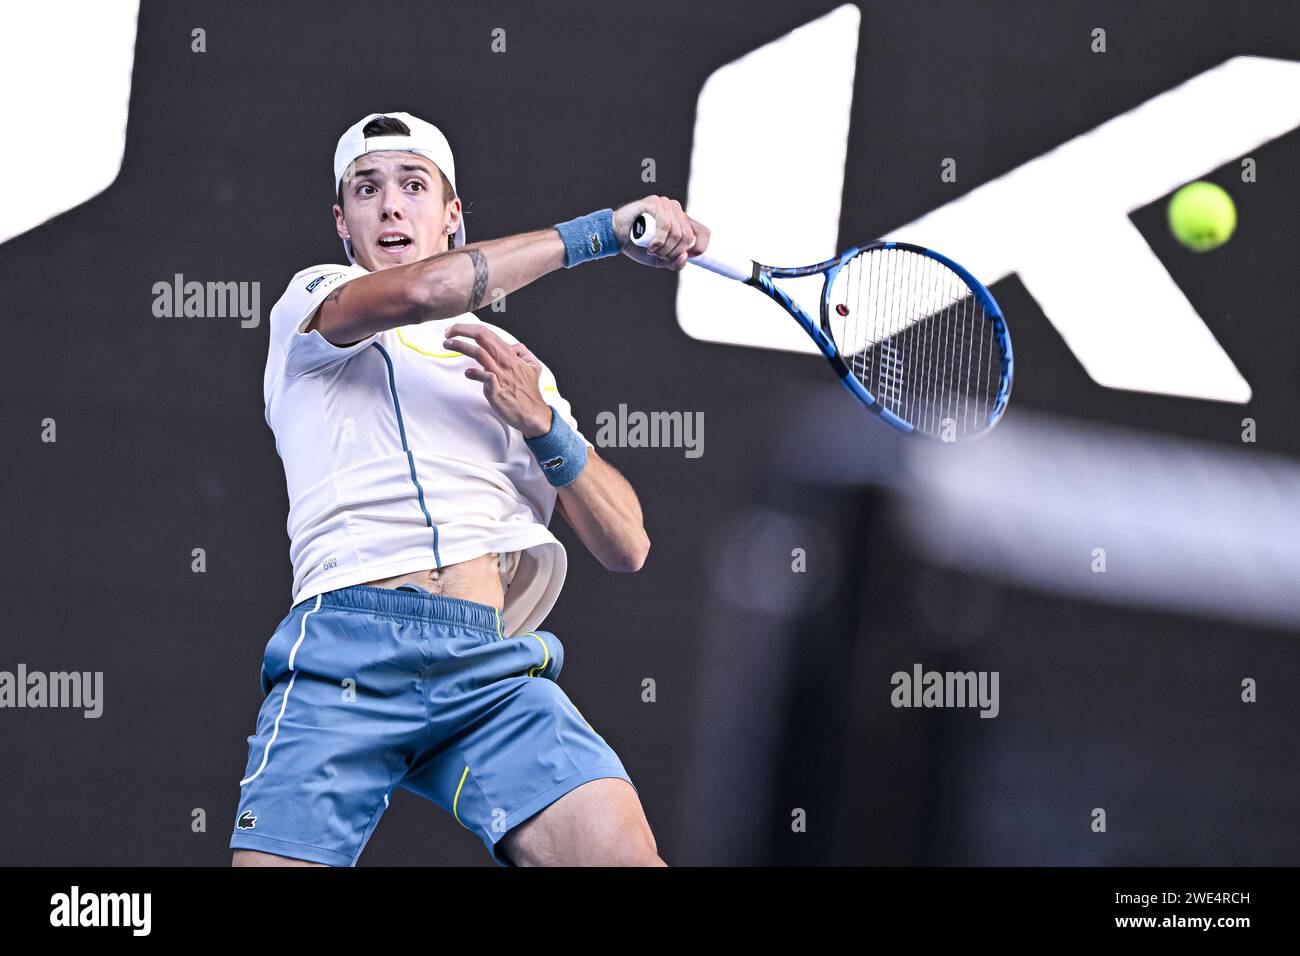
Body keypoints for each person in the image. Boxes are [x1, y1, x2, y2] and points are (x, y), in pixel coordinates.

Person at [229, 111, 708, 866]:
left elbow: (628, 545)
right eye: (367, 189)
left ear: (451, 216)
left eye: (413, 185)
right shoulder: (316, 302)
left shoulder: (517, 368)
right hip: (345, 657)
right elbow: (420, 294)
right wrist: (603, 233)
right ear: (342, 222)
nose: (390, 205)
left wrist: (543, 422)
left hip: (486, 669)